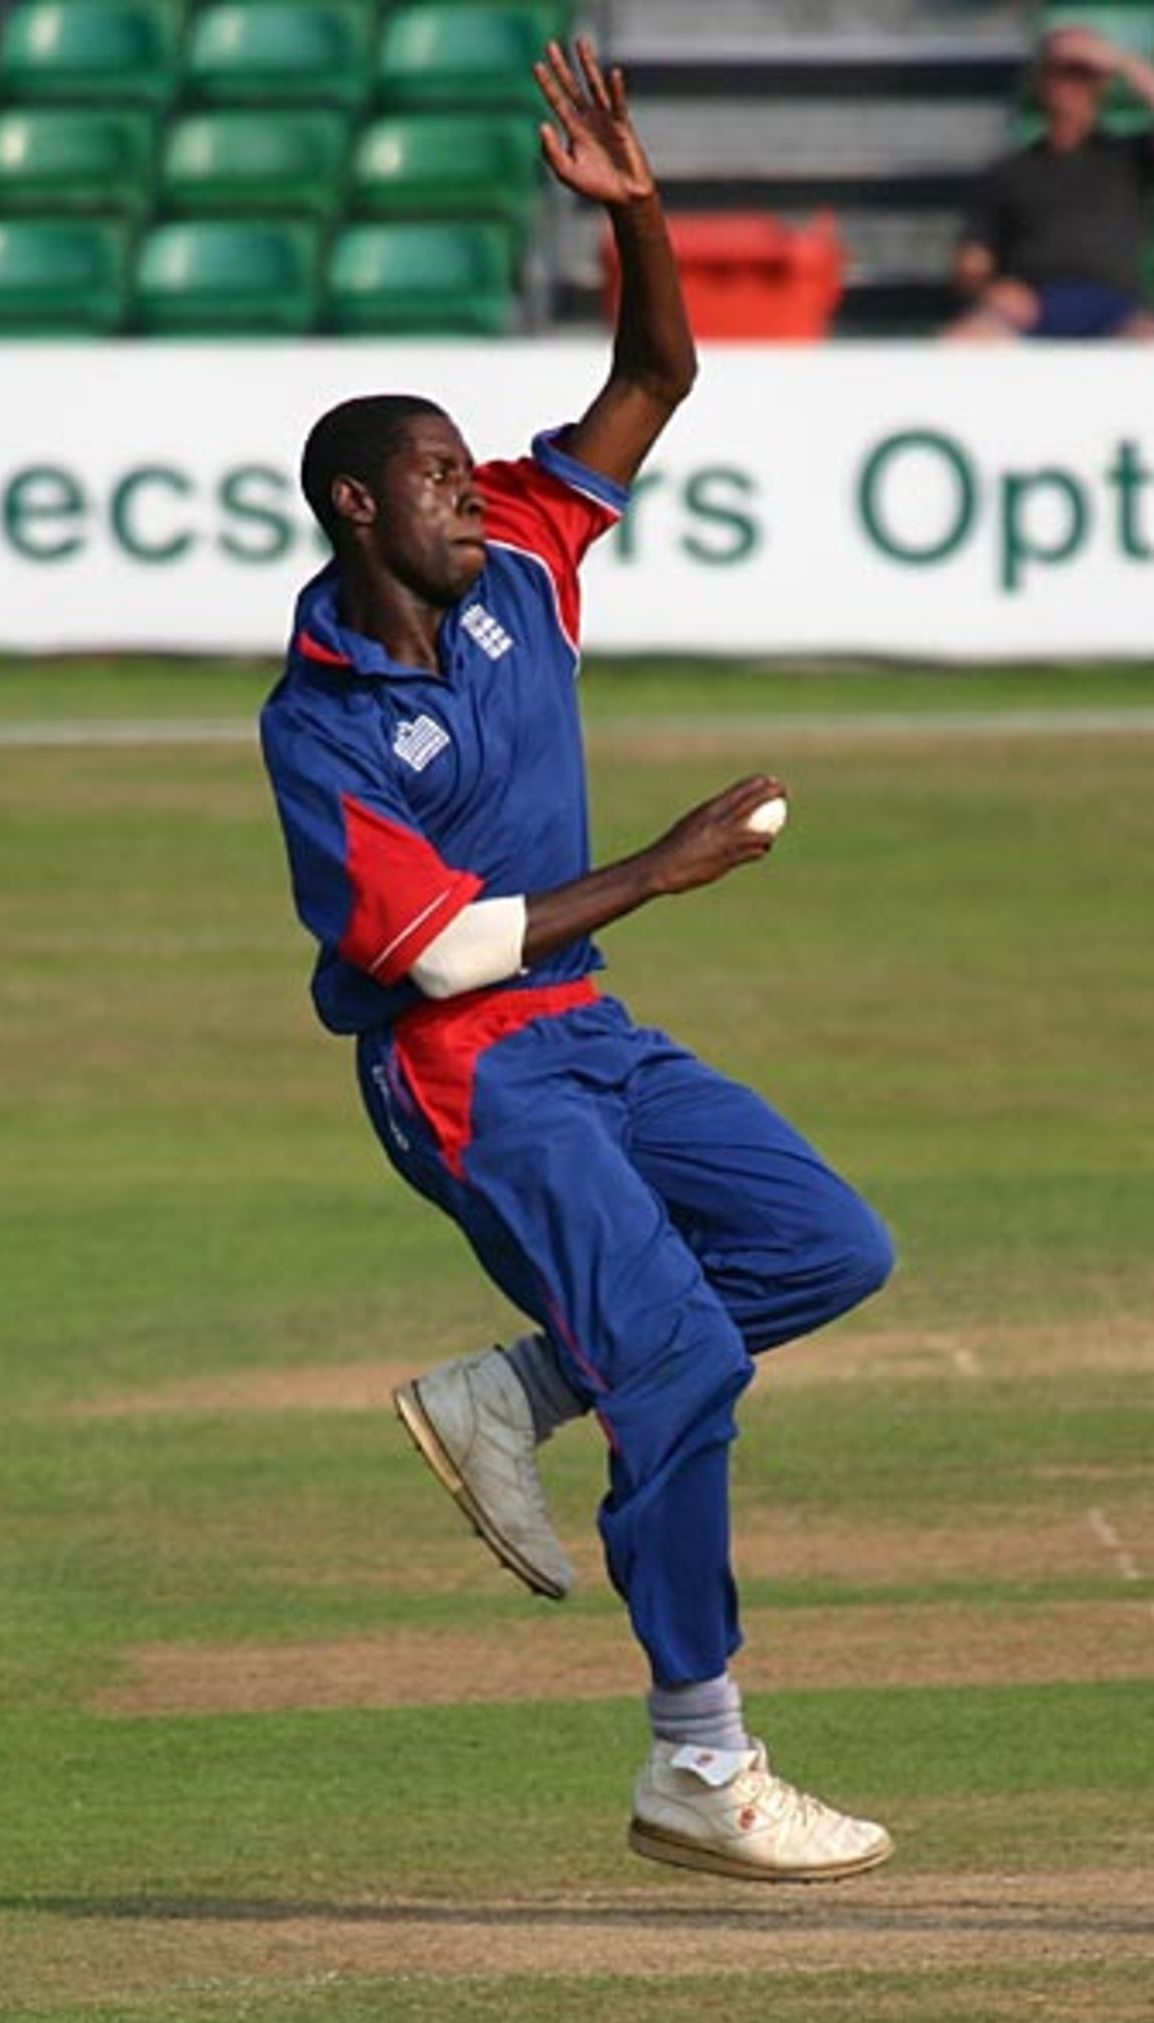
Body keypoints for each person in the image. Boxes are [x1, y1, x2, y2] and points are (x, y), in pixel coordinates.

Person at [262, 38, 895, 1885]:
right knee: (686, 1356)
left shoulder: (530, 560)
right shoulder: (321, 721)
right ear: (360, 507)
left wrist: (644, 220)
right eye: (441, 478)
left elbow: (658, 371)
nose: (480, 492)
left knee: (825, 1245)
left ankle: (516, 1391)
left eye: (474, 471)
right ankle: (699, 1757)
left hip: (589, 1030)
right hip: (467, 1065)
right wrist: (670, 863)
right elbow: (436, 947)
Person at [946, 23, 1154, 340]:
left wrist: (1117, 60)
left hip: (1115, 309)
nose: (1075, 87)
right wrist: (992, 289)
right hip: (1031, 306)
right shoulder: (1008, 171)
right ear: (1042, 82)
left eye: (1086, 76)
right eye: (1064, 74)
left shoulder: (1129, 156)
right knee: (964, 344)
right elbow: (971, 262)